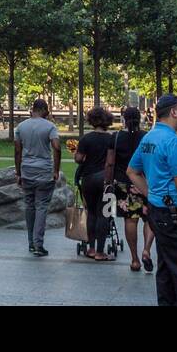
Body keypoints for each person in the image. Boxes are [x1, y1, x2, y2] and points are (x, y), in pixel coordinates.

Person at [126, 94, 177, 306]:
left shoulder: (149, 138)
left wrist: (152, 195)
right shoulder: (172, 141)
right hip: (176, 215)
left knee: (166, 269)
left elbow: (132, 171)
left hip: (158, 212)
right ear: (173, 112)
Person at [105, 106, 153, 273]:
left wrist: (108, 181)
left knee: (130, 220)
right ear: (140, 119)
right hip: (145, 182)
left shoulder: (116, 137)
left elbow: (110, 162)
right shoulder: (147, 137)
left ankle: (134, 259)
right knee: (149, 218)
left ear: (123, 119)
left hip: (124, 183)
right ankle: (147, 249)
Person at [14, 98, 61, 256]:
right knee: (41, 207)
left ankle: (30, 243)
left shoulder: (21, 127)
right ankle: (38, 243)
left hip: (27, 170)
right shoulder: (50, 126)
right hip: (44, 171)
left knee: (29, 206)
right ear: (45, 110)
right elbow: (57, 147)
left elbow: (17, 151)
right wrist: (56, 169)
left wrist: (18, 173)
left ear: (32, 109)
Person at [74, 106, 115, 261]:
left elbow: (79, 159)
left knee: (91, 213)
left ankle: (90, 248)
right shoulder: (112, 138)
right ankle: (100, 251)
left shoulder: (86, 138)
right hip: (106, 179)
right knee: (104, 214)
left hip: (88, 178)